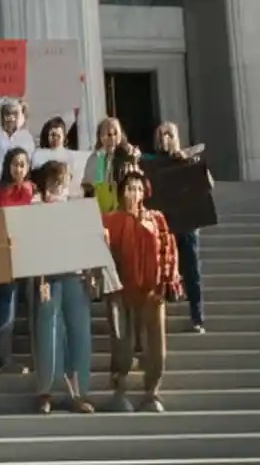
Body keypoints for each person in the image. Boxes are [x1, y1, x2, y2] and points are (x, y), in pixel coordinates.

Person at [104, 170, 181, 413]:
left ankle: (151, 391)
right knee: (121, 342)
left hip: (152, 290)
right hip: (120, 291)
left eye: (138, 188)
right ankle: (119, 390)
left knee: (155, 344)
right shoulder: (110, 220)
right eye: (129, 188)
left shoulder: (156, 218)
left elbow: (169, 249)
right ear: (121, 191)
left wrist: (168, 282)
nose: (134, 193)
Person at [30, 160, 96, 414]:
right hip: (48, 278)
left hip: (74, 276)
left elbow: (88, 242)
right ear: (46, 184)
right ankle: (45, 391)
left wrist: (90, 273)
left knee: (78, 334)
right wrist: (40, 278)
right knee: (48, 332)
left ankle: (77, 393)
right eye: (54, 181)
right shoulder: (37, 208)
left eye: (62, 181)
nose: (58, 186)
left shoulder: (77, 208)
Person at [149, 121, 208, 333]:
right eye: (162, 134)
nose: (166, 138)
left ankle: (197, 317)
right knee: (160, 272)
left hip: (186, 224)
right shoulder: (153, 163)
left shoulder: (188, 159)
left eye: (170, 134)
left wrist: (189, 163)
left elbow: (206, 183)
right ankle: (158, 320)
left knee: (192, 271)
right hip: (163, 226)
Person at [0, 147, 34, 374]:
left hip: (28, 254)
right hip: (3, 254)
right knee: (5, 305)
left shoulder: (32, 191)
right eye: (15, 164)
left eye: (23, 164)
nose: (18, 169)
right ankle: (2, 357)